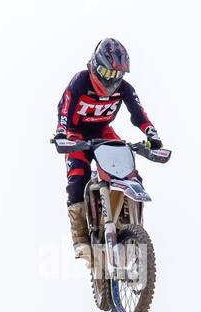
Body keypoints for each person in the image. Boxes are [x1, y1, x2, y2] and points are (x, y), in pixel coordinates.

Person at [53, 38, 164, 266]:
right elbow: (64, 107)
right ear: (95, 64)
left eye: (117, 74)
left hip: (103, 131)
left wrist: (151, 133)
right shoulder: (81, 81)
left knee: (130, 172)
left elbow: (138, 113)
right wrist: (61, 132)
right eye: (107, 72)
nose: (112, 80)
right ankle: (81, 238)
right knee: (77, 177)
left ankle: (127, 226)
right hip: (77, 134)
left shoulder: (124, 88)